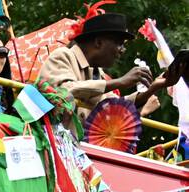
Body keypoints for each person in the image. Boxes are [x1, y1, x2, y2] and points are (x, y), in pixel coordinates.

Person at [37, 7, 166, 115]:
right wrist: (120, 82)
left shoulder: (98, 74)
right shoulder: (63, 56)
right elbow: (64, 91)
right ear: (99, 42)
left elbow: (114, 106)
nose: (122, 50)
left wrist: (153, 87)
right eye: (119, 43)